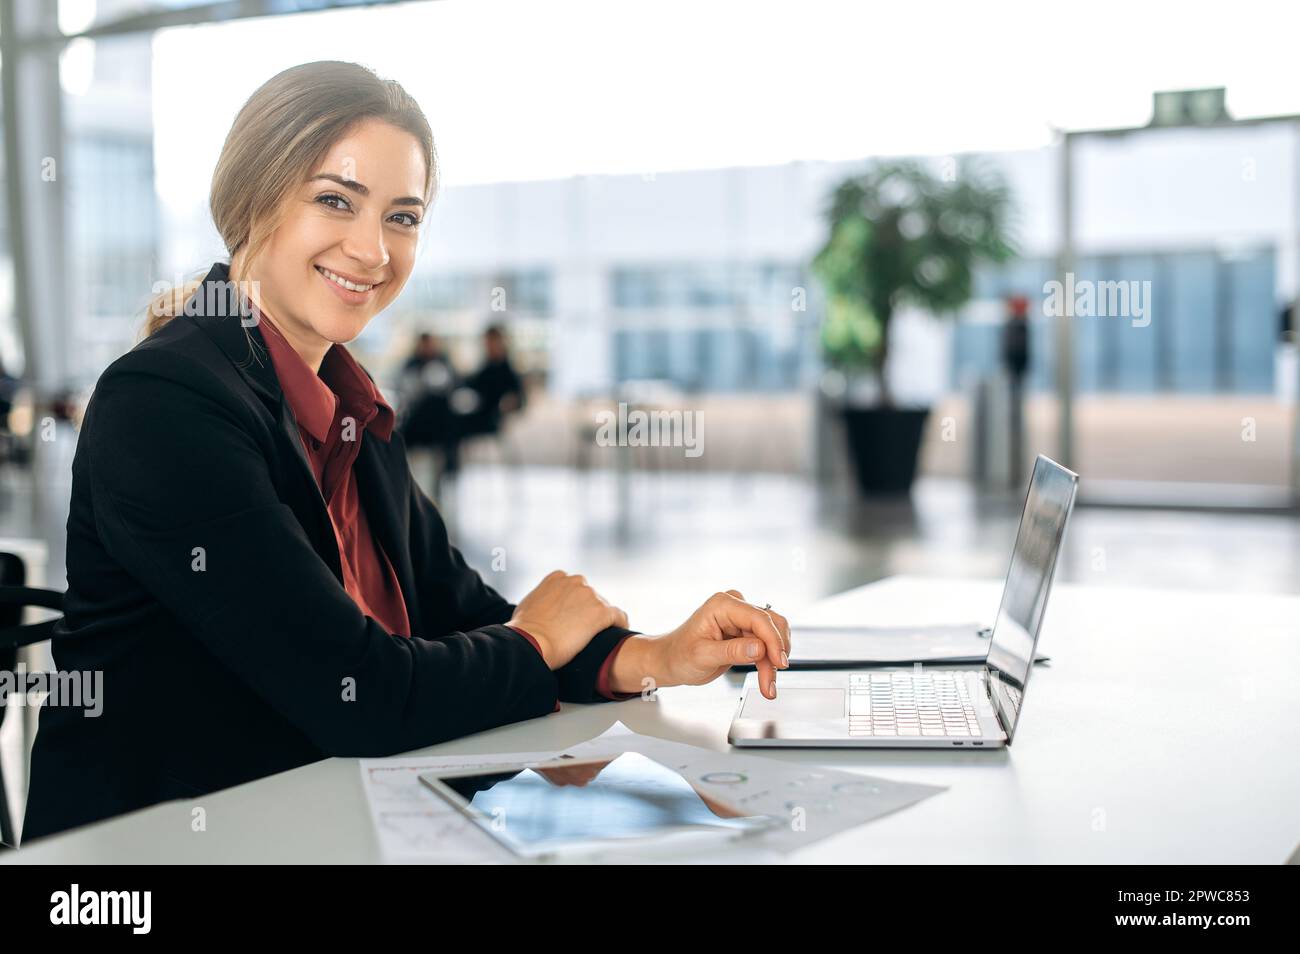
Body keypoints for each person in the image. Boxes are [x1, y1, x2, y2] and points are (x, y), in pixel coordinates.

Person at [22, 61, 789, 841]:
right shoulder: (165, 404)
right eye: (335, 201)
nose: (373, 250)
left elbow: (461, 617)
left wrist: (653, 655)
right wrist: (530, 642)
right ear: (253, 202)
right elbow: (360, 692)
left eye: (403, 217)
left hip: (337, 823)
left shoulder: (351, 410)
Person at [438, 324, 524, 475]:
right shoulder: (487, 366)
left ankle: (450, 471)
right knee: (444, 415)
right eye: (487, 342)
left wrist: (508, 403)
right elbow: (470, 385)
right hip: (477, 414)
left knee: (450, 424)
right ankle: (447, 470)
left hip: (491, 420)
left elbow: (519, 400)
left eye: (492, 342)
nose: (489, 346)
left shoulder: (507, 370)